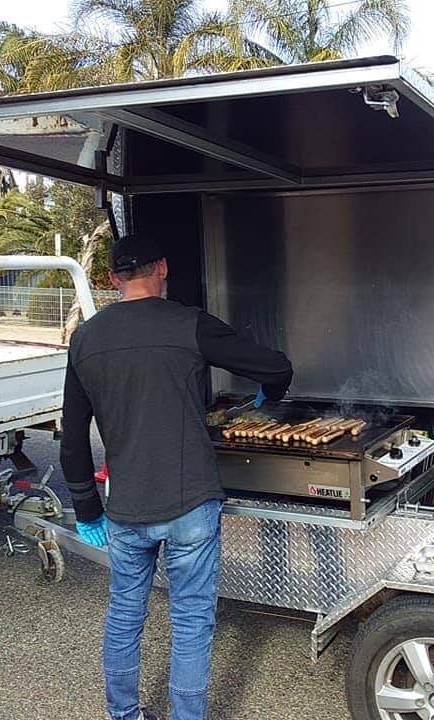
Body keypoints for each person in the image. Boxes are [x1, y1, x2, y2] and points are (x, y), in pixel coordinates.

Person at [60, 233, 293, 720]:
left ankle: (123, 715)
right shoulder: (189, 324)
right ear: (162, 268)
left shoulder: (85, 338)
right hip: (191, 504)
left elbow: (73, 433)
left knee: (125, 616)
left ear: (111, 278)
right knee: (190, 620)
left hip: (124, 508)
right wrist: (270, 393)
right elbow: (275, 365)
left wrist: (85, 507)